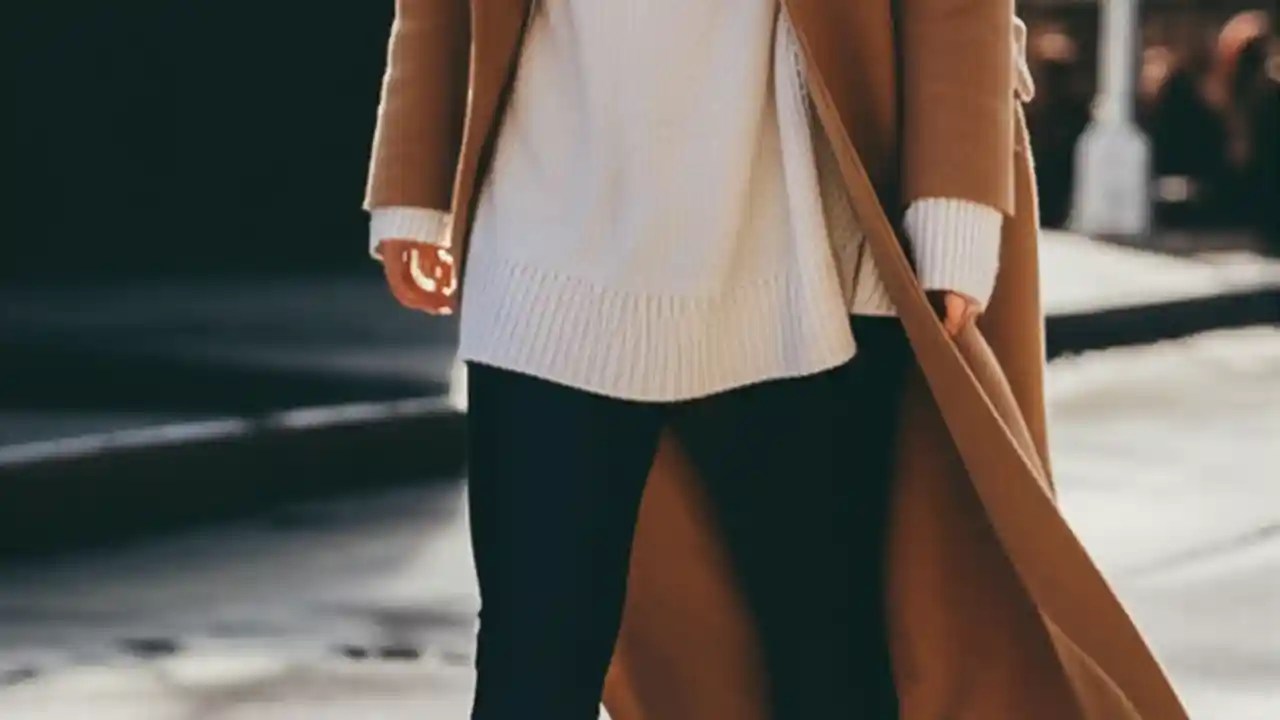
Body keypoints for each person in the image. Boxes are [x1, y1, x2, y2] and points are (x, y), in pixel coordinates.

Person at [364, 3, 1190, 719]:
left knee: (825, 657)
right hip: (542, 226)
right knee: (532, 654)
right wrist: (415, 178)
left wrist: (953, 203)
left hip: (796, 244)